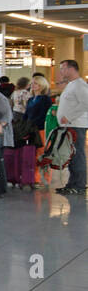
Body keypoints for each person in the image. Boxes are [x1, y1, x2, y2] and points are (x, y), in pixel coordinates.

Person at [54, 59, 88, 195]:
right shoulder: (71, 85)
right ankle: (72, 183)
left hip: (76, 125)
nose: (61, 71)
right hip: (69, 125)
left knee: (77, 154)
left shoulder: (80, 85)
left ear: (70, 68)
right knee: (71, 155)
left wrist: (69, 116)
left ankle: (79, 184)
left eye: (62, 68)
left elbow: (86, 103)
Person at [26, 75, 52, 187]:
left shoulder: (45, 99)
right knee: (33, 154)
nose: (33, 85)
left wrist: (32, 124)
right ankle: (34, 177)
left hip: (41, 129)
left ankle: (46, 177)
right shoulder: (31, 99)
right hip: (31, 129)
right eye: (32, 83)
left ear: (41, 85)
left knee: (42, 153)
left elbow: (43, 115)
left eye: (35, 83)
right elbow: (27, 114)